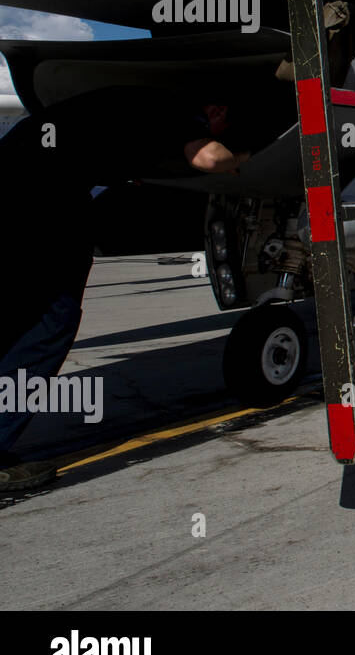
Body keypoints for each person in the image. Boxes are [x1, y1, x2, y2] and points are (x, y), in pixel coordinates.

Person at [0, 86, 249, 492]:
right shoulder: (181, 112)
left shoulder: (121, 98)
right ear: (217, 110)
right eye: (224, 126)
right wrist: (242, 159)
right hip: (43, 203)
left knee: (12, 316)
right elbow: (209, 157)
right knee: (49, 325)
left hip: (14, 179)